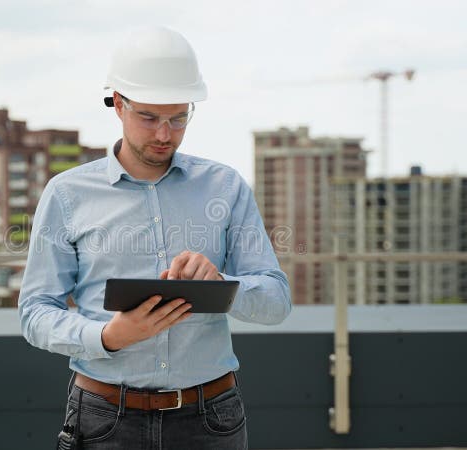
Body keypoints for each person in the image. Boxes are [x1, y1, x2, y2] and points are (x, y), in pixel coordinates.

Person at [18, 25, 291, 449]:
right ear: (118, 104)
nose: (165, 134)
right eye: (149, 117)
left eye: (178, 118)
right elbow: (35, 312)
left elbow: (276, 301)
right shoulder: (67, 194)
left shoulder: (225, 187)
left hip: (210, 420)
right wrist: (107, 337)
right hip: (105, 419)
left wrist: (222, 284)